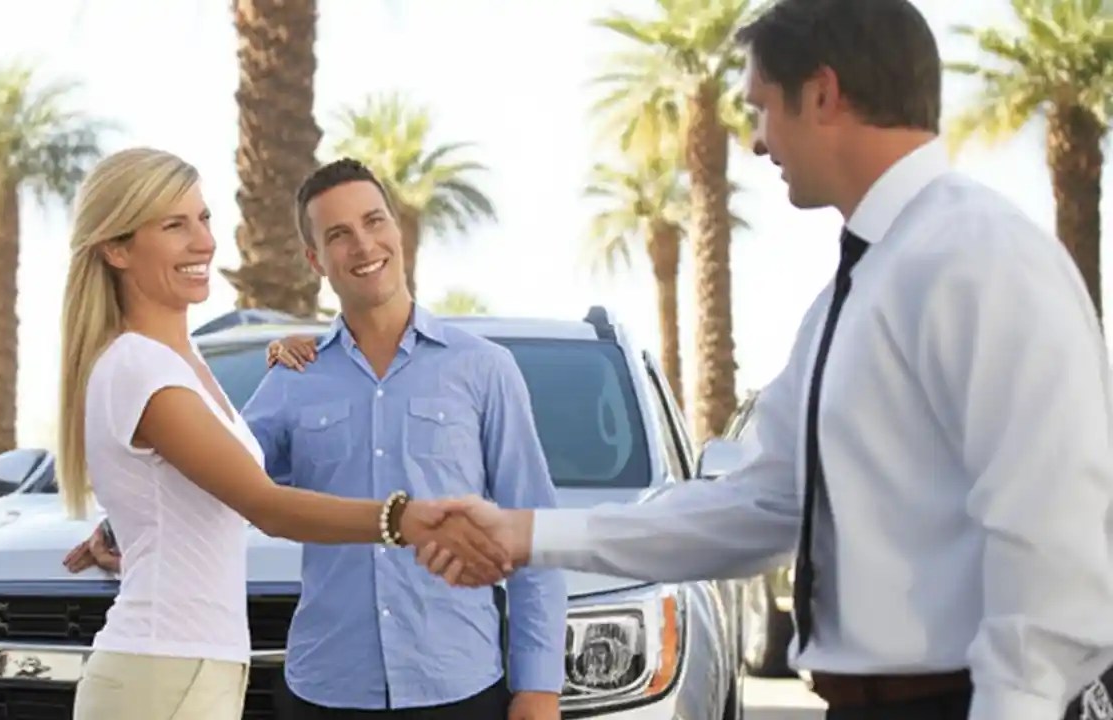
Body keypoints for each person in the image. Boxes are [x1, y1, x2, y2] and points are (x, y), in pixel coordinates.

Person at [419, 1, 1113, 719]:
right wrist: (525, 533)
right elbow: (760, 505)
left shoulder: (982, 258)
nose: (753, 141)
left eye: (760, 107)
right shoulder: (852, 295)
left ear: (821, 93)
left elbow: (1051, 534)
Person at [55, 147, 508, 720]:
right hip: (164, 673)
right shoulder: (139, 366)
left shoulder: (179, 359)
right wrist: (405, 519)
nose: (204, 242)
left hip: (189, 669)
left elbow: (197, 483)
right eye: (175, 225)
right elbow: (263, 504)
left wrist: (121, 527)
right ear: (117, 248)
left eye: (204, 218)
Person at [249, 158, 566, 720]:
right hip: (325, 690)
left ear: (398, 229)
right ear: (315, 259)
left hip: (460, 685)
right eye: (338, 235)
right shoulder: (292, 379)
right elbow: (217, 475)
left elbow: (533, 529)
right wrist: (117, 528)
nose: (363, 244)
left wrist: (539, 686)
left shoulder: (484, 368)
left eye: (374, 222)